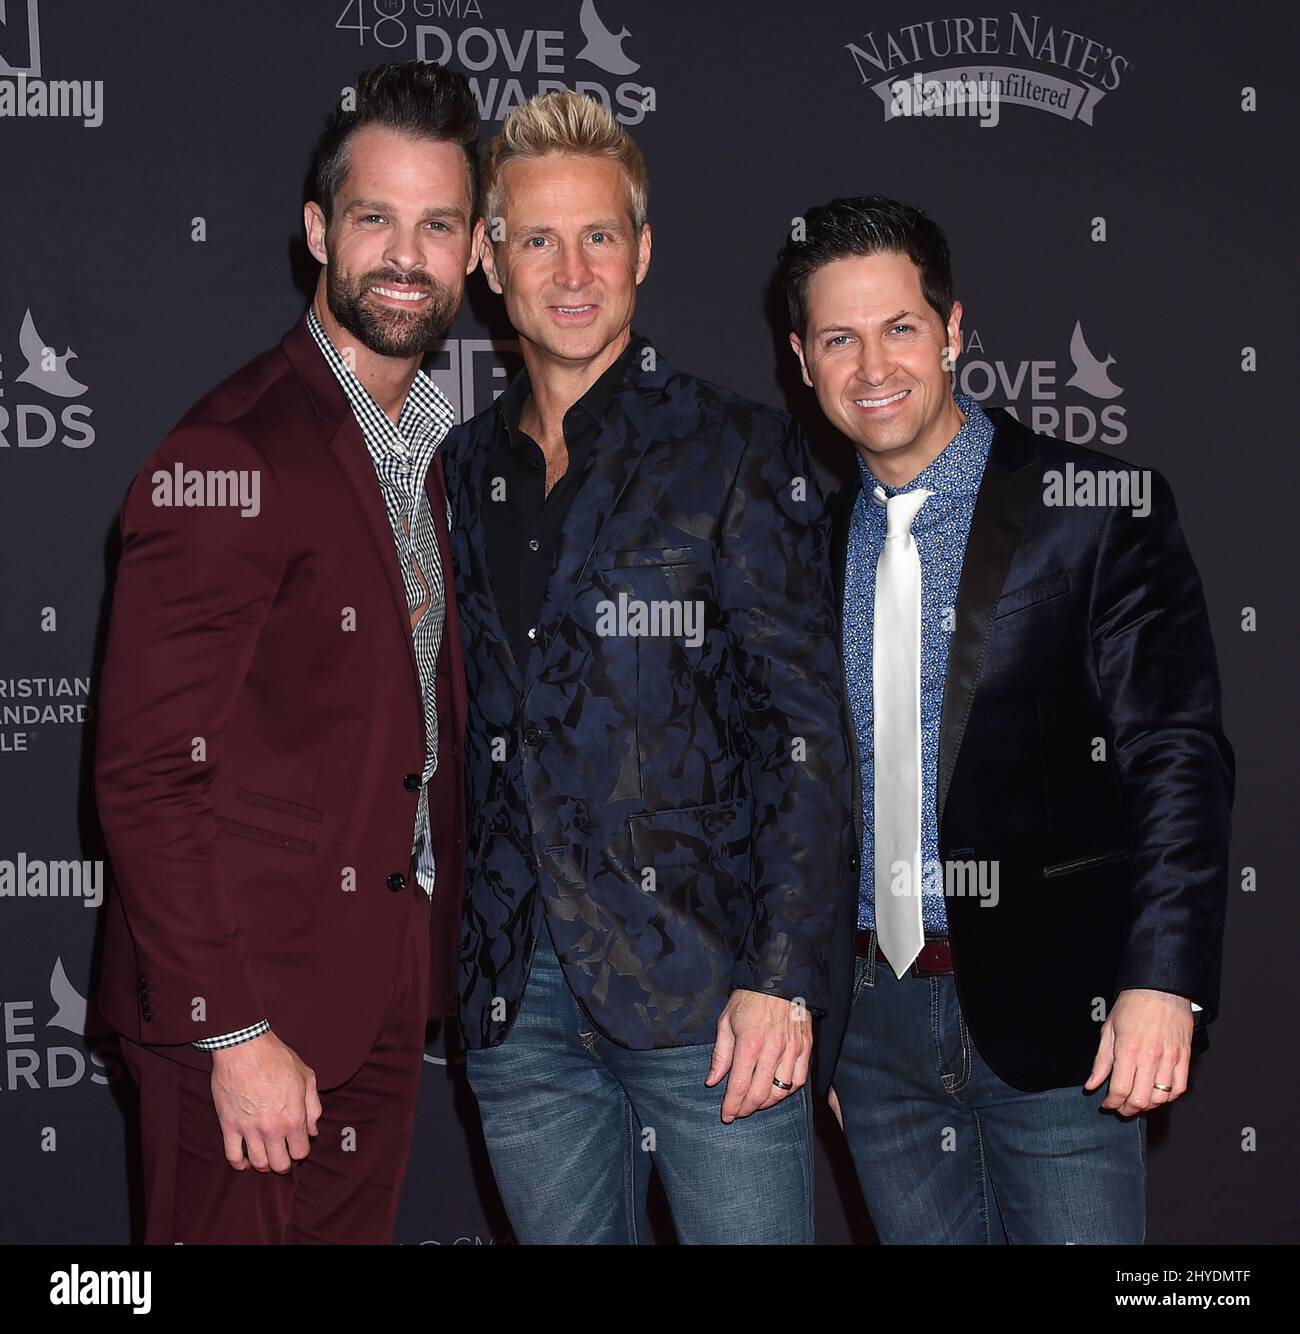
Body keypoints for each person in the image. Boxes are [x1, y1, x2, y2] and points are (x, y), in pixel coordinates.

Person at [776, 195, 1233, 1244]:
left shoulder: (1094, 508)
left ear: (951, 329)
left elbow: (1177, 758)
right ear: (802, 361)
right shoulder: (799, 545)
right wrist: (833, 1023)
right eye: (838, 338)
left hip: (1059, 1014)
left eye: (898, 327)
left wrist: (1160, 979)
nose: (872, 365)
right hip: (876, 1025)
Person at [443, 90, 852, 1244]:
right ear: (489, 260)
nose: (571, 270)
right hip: (517, 1003)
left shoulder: (733, 447)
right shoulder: (460, 469)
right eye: (536, 238)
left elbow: (805, 728)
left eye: (599, 236)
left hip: (707, 995)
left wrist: (784, 973)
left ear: (642, 251)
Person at [93, 61, 479, 1244]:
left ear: (472, 252)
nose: (405, 256)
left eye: (438, 224)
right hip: (248, 1019)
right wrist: (231, 1029)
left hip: (375, 996)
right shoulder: (232, 449)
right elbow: (145, 771)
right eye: (375, 218)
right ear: (318, 231)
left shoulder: (435, 451)